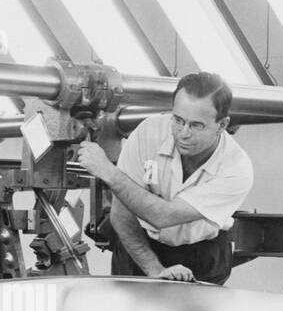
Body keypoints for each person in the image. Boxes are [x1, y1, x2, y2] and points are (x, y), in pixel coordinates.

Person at [75, 71, 253, 285]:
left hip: (202, 254)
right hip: (140, 245)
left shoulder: (235, 168)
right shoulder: (148, 133)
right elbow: (122, 215)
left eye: (196, 125)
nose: (183, 133)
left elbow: (163, 216)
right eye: (178, 120)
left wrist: (108, 171)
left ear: (222, 125)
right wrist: (154, 269)